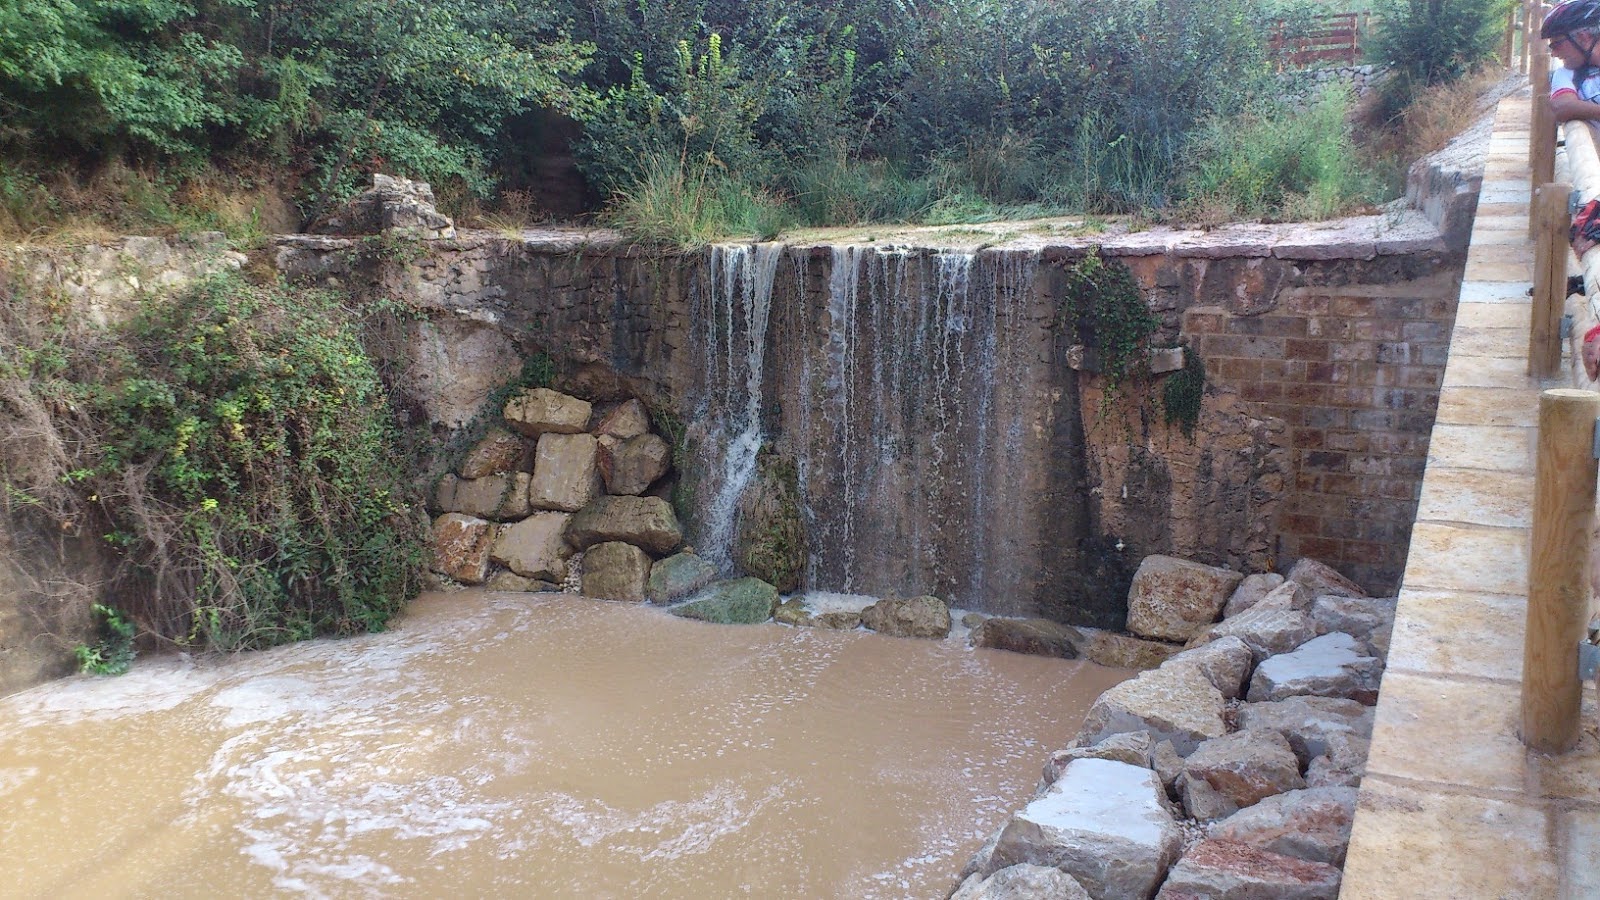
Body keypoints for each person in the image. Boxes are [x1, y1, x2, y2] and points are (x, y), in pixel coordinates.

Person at [1545, 0, 1600, 123]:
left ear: (1583, 38)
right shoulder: (1567, 74)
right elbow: (1561, 107)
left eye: (1556, 45)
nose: (1553, 54)